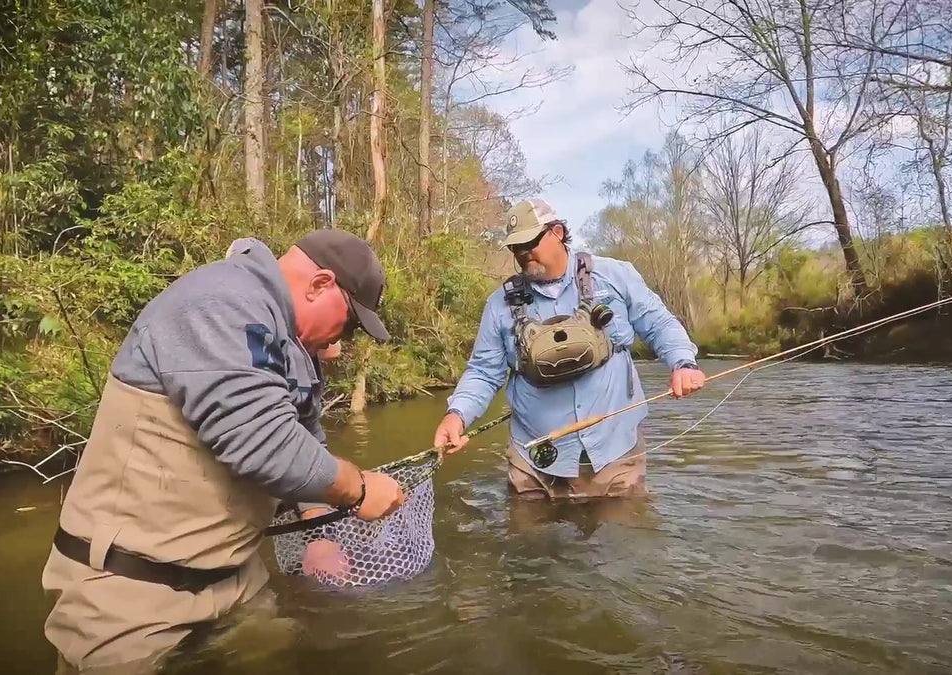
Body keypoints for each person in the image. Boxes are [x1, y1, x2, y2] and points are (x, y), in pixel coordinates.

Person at [41, 230, 404, 673]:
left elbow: (306, 440)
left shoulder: (287, 340)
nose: (342, 341)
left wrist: (319, 534)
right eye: (348, 322)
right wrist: (360, 488)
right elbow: (263, 442)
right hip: (129, 590)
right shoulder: (222, 302)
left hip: (234, 580)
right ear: (320, 284)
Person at [432, 198, 706, 499]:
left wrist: (683, 364)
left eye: (529, 242)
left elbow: (659, 324)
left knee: (624, 542)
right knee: (529, 545)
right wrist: (456, 416)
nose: (522, 253)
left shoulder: (615, 276)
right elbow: (484, 373)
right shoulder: (499, 305)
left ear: (557, 232)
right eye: (515, 247)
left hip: (616, 453)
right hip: (533, 463)